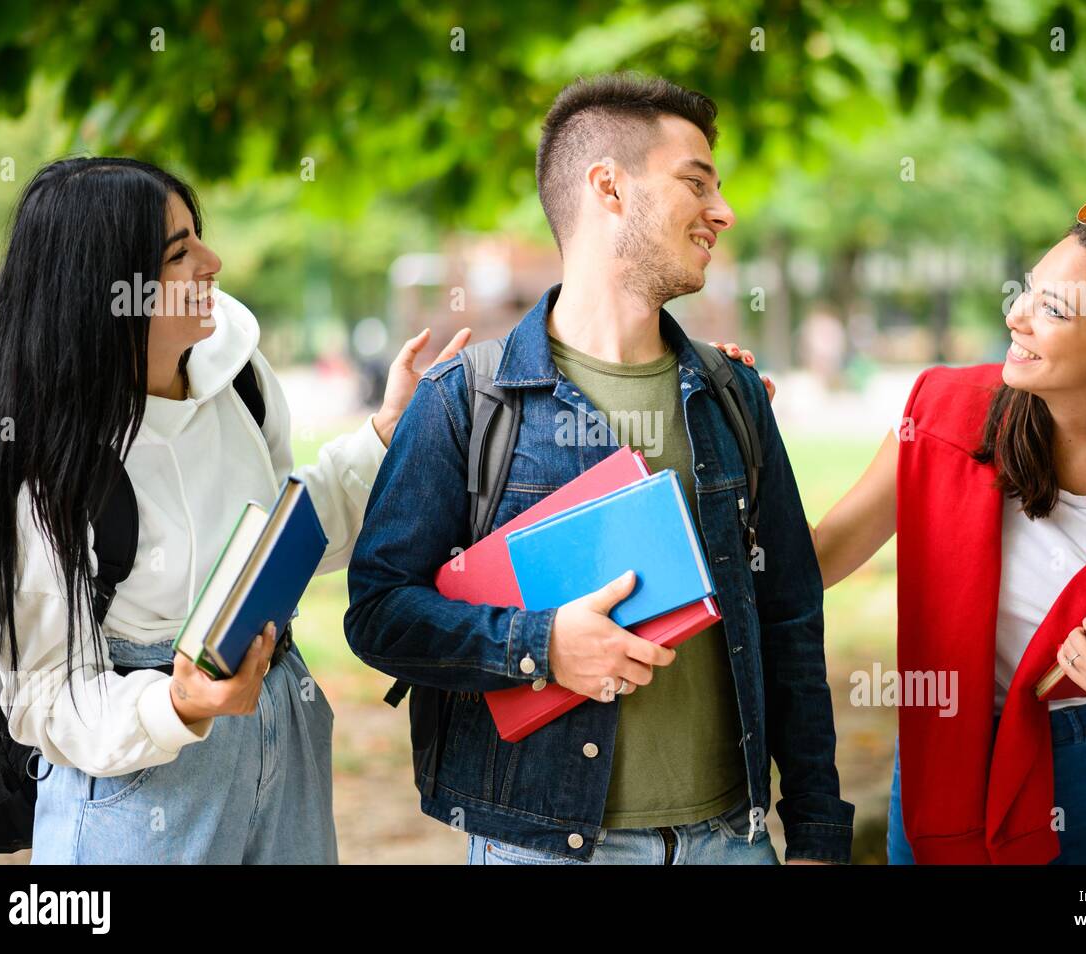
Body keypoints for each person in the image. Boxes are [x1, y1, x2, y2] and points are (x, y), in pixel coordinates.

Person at [344, 73, 854, 865]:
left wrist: (818, 831)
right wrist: (540, 645)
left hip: (730, 842)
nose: (723, 212)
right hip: (542, 850)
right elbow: (378, 612)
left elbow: (789, 615)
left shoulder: (734, 395)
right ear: (608, 187)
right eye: (696, 183)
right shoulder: (464, 400)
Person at [0, 157, 468, 864]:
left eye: (198, 236)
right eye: (179, 252)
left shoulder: (243, 380)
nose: (213, 261)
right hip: (141, 789)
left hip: (281, 733)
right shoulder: (49, 469)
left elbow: (282, 539)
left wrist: (385, 431)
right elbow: (41, 696)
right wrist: (179, 704)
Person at [769, 200, 1086, 863]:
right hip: (945, 755)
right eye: (1029, 290)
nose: (1016, 315)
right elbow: (815, 558)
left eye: (1053, 309)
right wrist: (746, 440)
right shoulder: (942, 415)